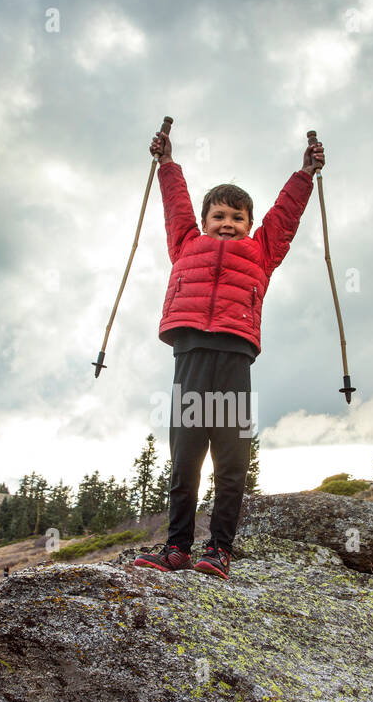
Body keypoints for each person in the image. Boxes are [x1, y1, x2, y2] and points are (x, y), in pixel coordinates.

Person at [134, 128, 324, 580]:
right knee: (184, 457)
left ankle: (219, 549)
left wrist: (306, 174)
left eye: (237, 218)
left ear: (248, 224)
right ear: (203, 222)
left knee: (232, 459)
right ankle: (177, 546)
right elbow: (175, 204)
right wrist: (166, 164)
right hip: (192, 355)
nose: (227, 223)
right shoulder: (185, 242)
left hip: (236, 359)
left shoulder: (262, 251)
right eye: (218, 215)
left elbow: (285, 216)